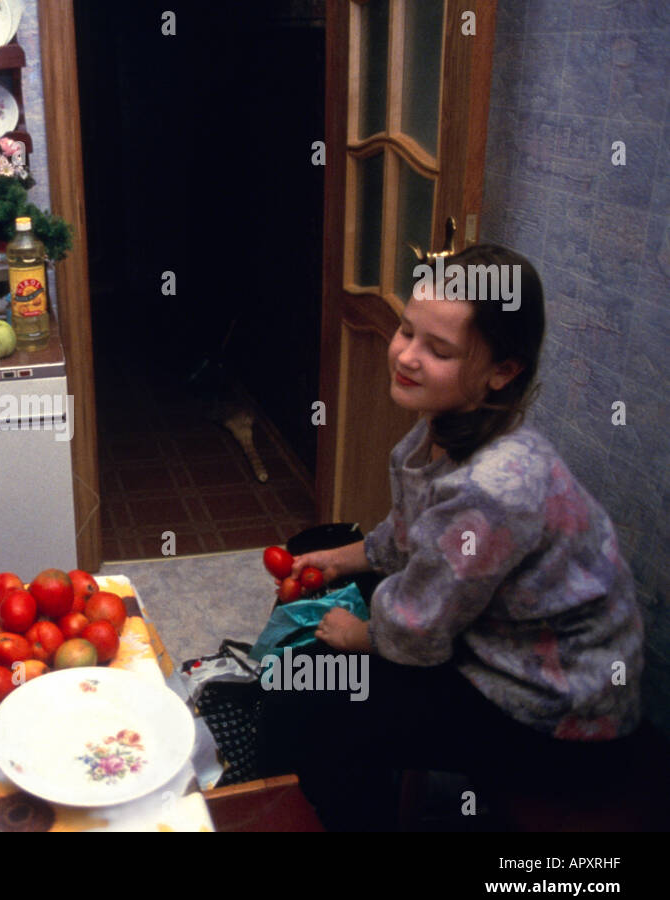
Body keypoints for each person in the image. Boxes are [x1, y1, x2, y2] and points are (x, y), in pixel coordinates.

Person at [256, 243, 644, 831]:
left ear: (502, 371)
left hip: (552, 708)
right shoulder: (443, 430)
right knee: (325, 557)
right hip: (493, 636)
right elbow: (412, 538)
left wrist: (359, 632)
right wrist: (334, 559)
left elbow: (415, 632)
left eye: (438, 349)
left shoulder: (493, 488)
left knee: (302, 693)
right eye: (407, 331)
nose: (406, 357)